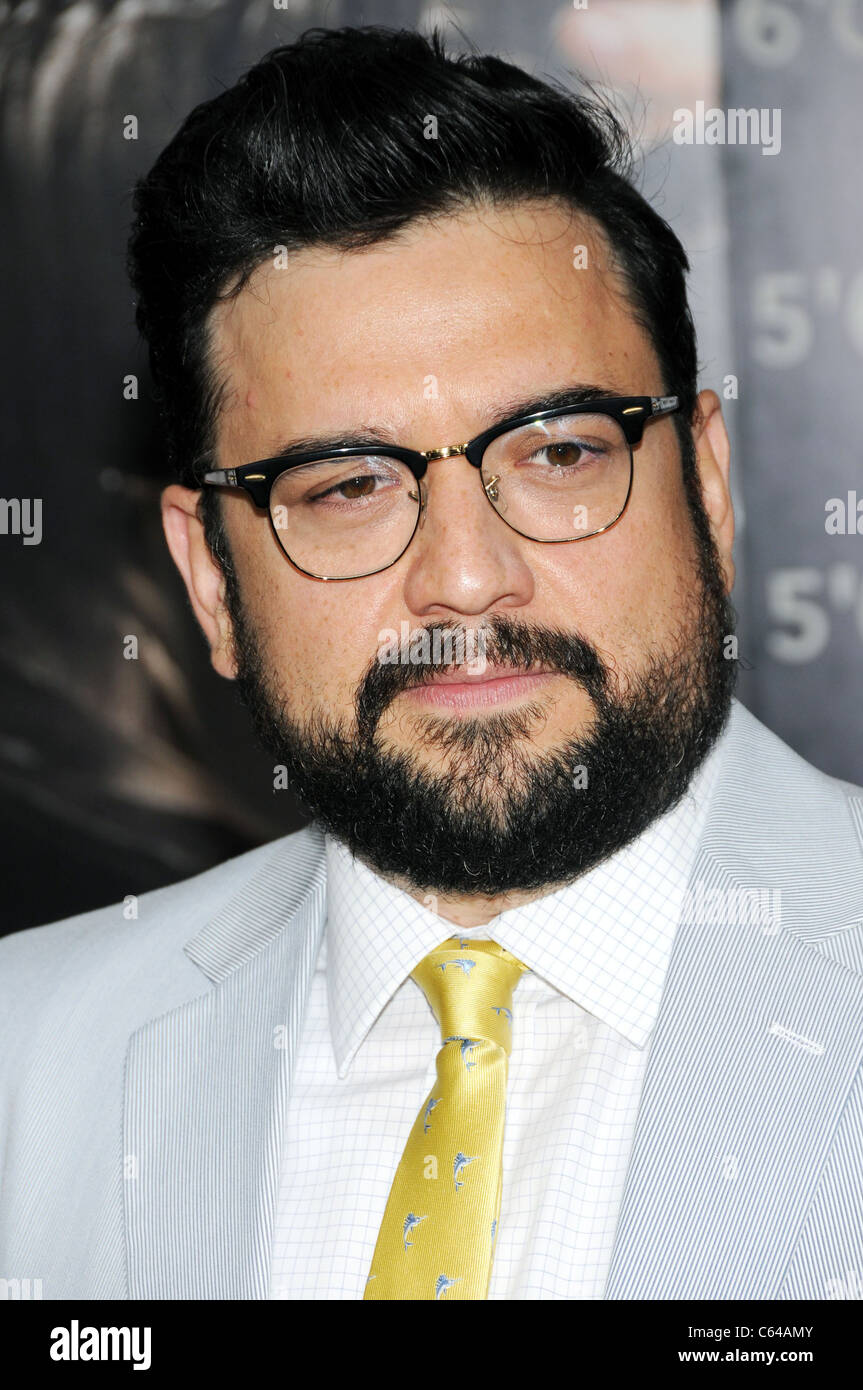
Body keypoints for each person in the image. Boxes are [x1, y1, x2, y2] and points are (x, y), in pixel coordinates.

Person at [2, 25, 862, 1303]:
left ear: (708, 483)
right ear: (208, 580)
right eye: (347, 485)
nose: (465, 575)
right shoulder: (25, 1061)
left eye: (558, 453)